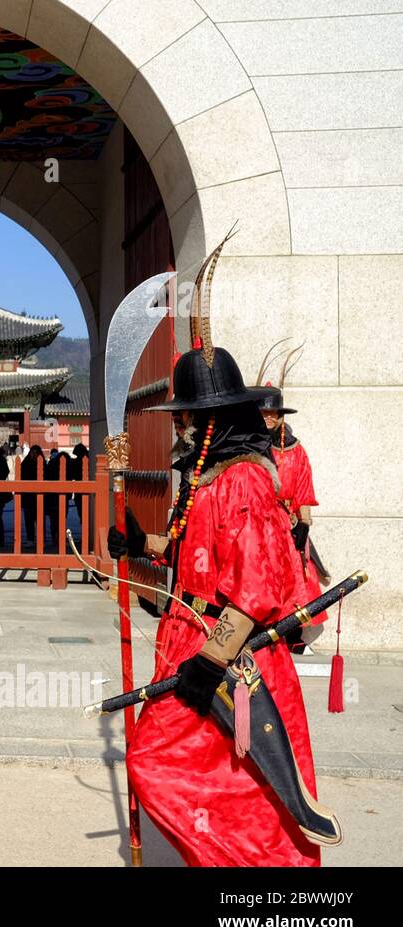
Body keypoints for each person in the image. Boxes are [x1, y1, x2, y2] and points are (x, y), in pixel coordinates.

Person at [107, 239, 334, 866]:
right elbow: (184, 553)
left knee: (191, 774)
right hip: (193, 644)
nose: (178, 429)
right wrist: (135, 541)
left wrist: (209, 665)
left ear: (210, 422)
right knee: (202, 781)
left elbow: (255, 590)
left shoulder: (244, 483)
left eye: (185, 420)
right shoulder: (204, 482)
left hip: (233, 663)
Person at [254, 346, 328, 650]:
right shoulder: (249, 447)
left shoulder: (295, 451)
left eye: (273, 412)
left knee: (298, 577)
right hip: (256, 523)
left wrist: (304, 526)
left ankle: (292, 634)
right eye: (264, 412)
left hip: (287, 525)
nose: (269, 417)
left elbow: (304, 492)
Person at [18, 444, 44, 552]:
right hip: (28, 496)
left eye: (35, 453)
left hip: (39, 496)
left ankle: (40, 539)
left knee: (40, 519)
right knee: (28, 519)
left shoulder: (42, 464)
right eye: (32, 452)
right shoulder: (25, 463)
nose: (33, 455)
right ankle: (30, 539)